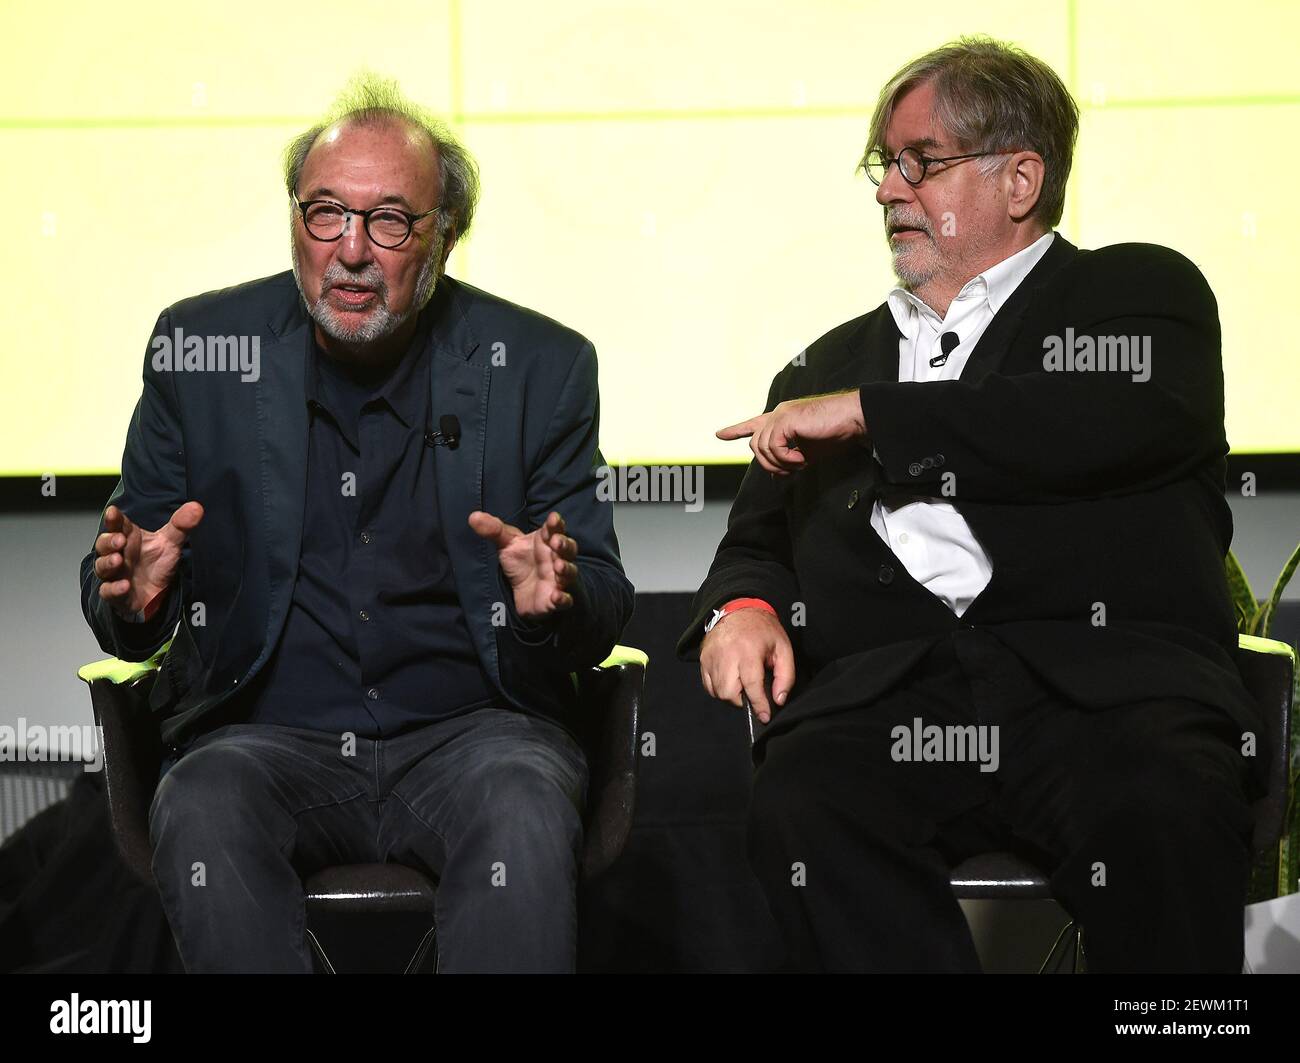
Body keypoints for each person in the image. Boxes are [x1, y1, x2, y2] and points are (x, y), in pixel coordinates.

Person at [678, 36, 1260, 973]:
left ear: (1020, 178)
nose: (887, 190)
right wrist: (742, 606)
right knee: (803, 798)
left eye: (922, 162)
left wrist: (873, 415)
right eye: (884, 165)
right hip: (895, 701)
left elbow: (1087, 419)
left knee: (1162, 806)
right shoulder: (823, 363)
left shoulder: (1140, 295)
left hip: (1106, 699)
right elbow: (757, 541)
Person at [79, 74, 633, 973]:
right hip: (263, 736)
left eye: (389, 221)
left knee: (524, 802)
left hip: (477, 735)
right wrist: (136, 596)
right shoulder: (199, 350)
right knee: (202, 800)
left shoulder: (541, 364)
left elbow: (605, 597)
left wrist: (556, 599)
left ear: (445, 236)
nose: (350, 251)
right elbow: (119, 588)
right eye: (325, 213)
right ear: (294, 220)